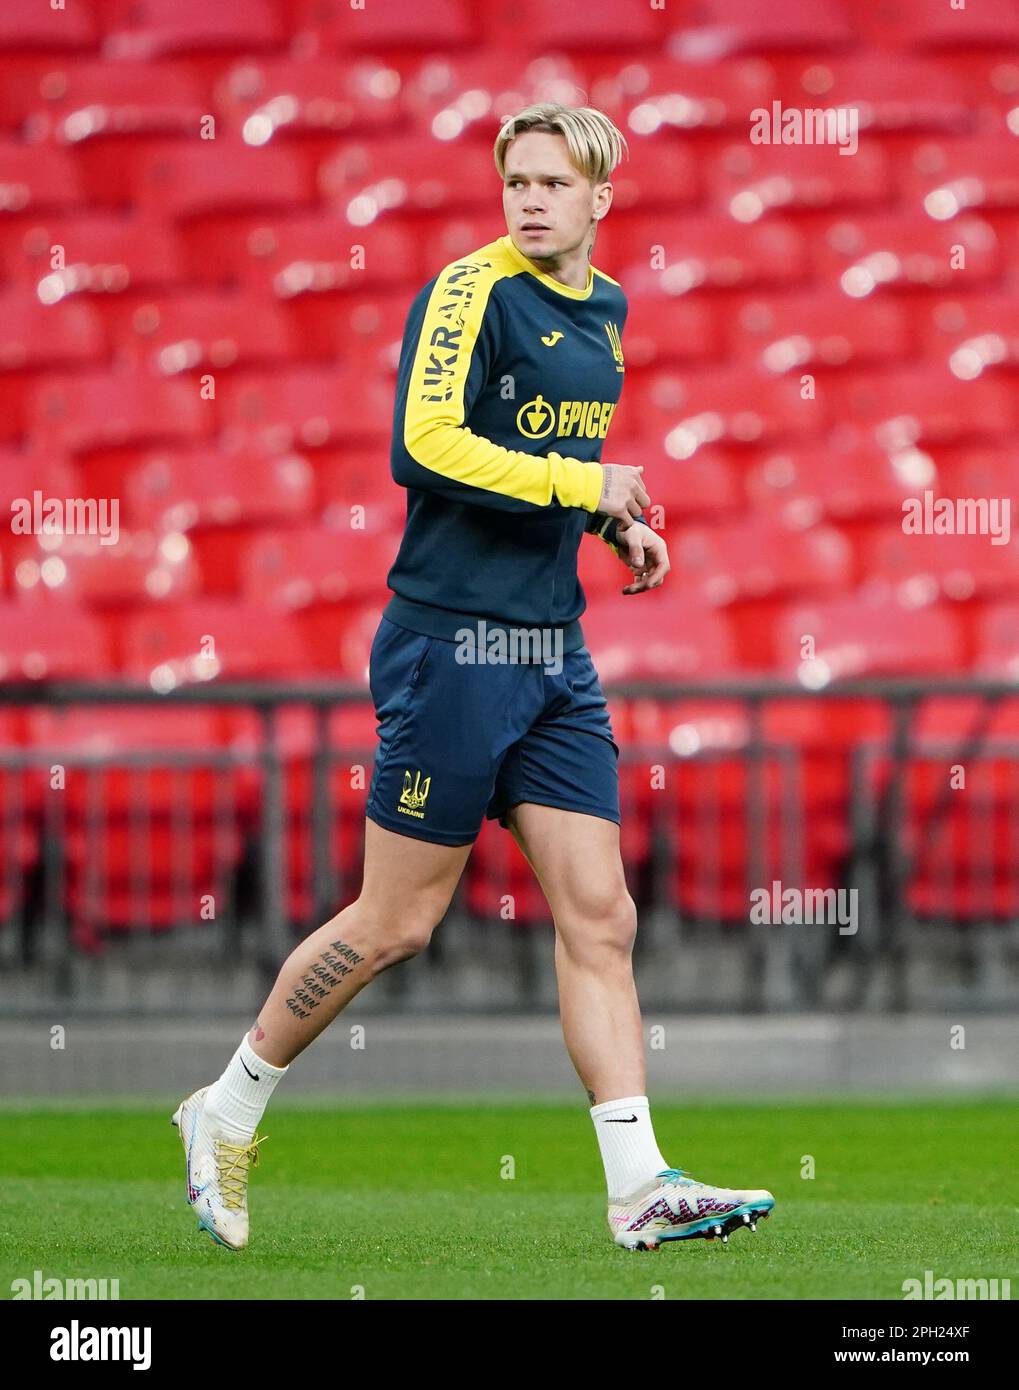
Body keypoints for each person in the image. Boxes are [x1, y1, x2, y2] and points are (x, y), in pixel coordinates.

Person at [173, 102, 774, 1252]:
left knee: (601, 913)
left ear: (602, 197)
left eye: (555, 183)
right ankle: (226, 1105)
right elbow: (426, 444)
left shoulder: (604, 309)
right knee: (398, 919)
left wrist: (612, 527)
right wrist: (583, 487)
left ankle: (637, 1182)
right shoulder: (470, 291)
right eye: (518, 183)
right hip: (450, 643)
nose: (532, 199)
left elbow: (543, 459)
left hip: (551, 652)